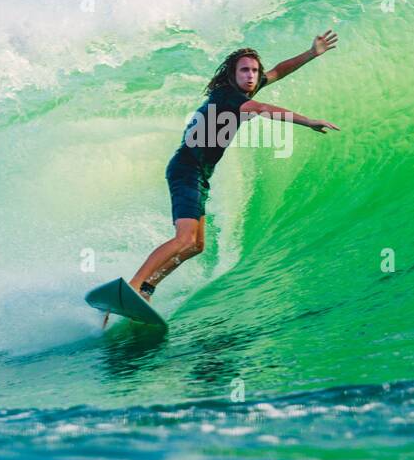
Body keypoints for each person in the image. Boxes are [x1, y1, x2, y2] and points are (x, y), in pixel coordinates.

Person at [125, 31, 341, 306]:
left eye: (254, 71)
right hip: (186, 169)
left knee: (195, 245)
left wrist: (311, 53)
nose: (251, 76)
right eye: (244, 71)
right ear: (232, 74)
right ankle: (133, 285)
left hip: (201, 175)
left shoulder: (246, 89)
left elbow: (277, 72)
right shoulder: (226, 95)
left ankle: (147, 287)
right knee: (184, 238)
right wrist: (307, 121)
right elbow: (261, 108)